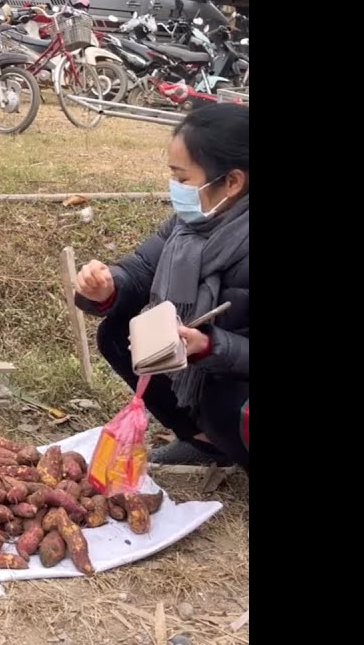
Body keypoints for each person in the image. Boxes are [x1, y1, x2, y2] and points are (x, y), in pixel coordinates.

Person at [74, 103, 249, 471]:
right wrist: (107, 287)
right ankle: (205, 443)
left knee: (223, 401)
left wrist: (212, 346)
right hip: (212, 361)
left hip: (236, 375)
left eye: (183, 179)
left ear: (232, 182)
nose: (175, 189)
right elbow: (141, 269)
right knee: (118, 334)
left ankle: (230, 438)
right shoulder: (188, 226)